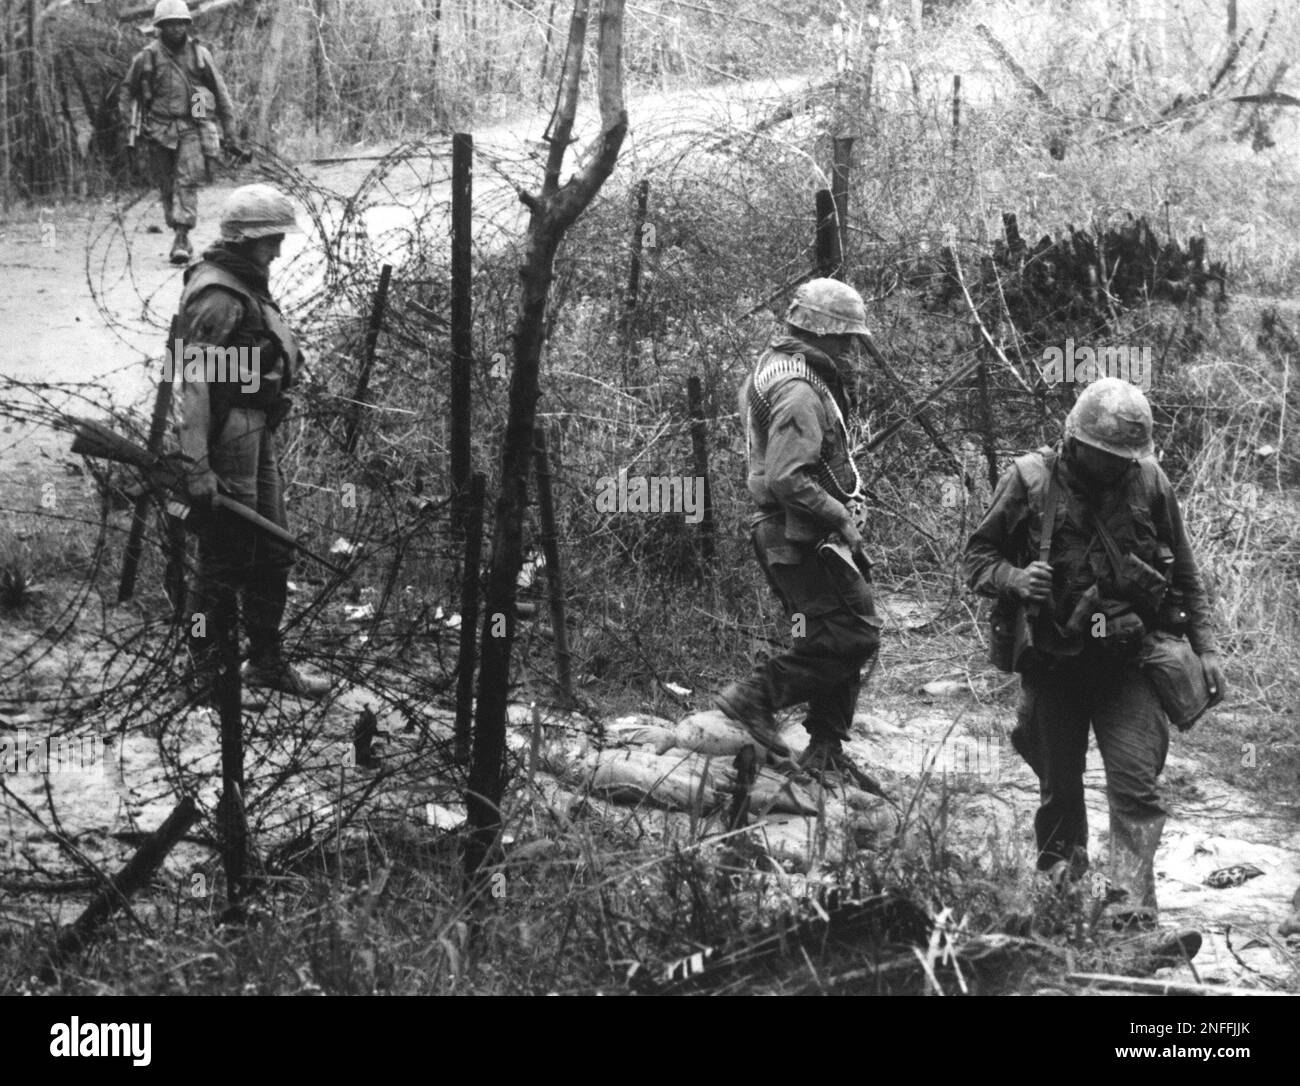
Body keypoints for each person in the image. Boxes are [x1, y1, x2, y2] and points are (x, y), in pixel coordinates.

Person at [964, 377, 1225, 927]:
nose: (1117, 467)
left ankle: (1132, 919)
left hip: (1127, 663)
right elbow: (975, 561)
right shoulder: (1028, 479)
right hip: (1055, 666)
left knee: (1136, 791)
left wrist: (1206, 649)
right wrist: (1013, 577)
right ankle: (1064, 905)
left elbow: (1184, 572)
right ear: (1075, 441)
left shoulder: (1149, 480)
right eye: (1107, 455)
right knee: (1060, 796)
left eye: (1126, 457)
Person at [713, 278, 884, 778]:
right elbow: (788, 477)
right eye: (847, 337)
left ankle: (826, 749)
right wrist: (840, 518)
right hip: (798, 534)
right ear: (824, 333)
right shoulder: (798, 389)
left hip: (798, 533)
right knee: (854, 635)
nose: (852, 348)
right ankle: (754, 697)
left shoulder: (776, 370)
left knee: (828, 632)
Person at [177, 183, 329, 702]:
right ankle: (203, 670)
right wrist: (196, 463)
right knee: (224, 556)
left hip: (253, 426)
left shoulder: (245, 282)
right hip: (227, 432)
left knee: (273, 547)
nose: (280, 249)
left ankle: (265, 661)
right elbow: (194, 382)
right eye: (271, 239)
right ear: (245, 240)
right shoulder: (218, 294)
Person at [119, 0, 240, 264]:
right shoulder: (147, 57)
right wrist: (130, 123)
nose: (176, 29)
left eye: (180, 23)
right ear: (160, 27)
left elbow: (220, 94)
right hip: (158, 129)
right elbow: (127, 90)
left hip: (191, 127)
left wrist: (230, 134)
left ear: (187, 25)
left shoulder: (199, 55)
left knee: (187, 181)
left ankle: (182, 237)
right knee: (166, 186)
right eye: (170, 24)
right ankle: (176, 226)